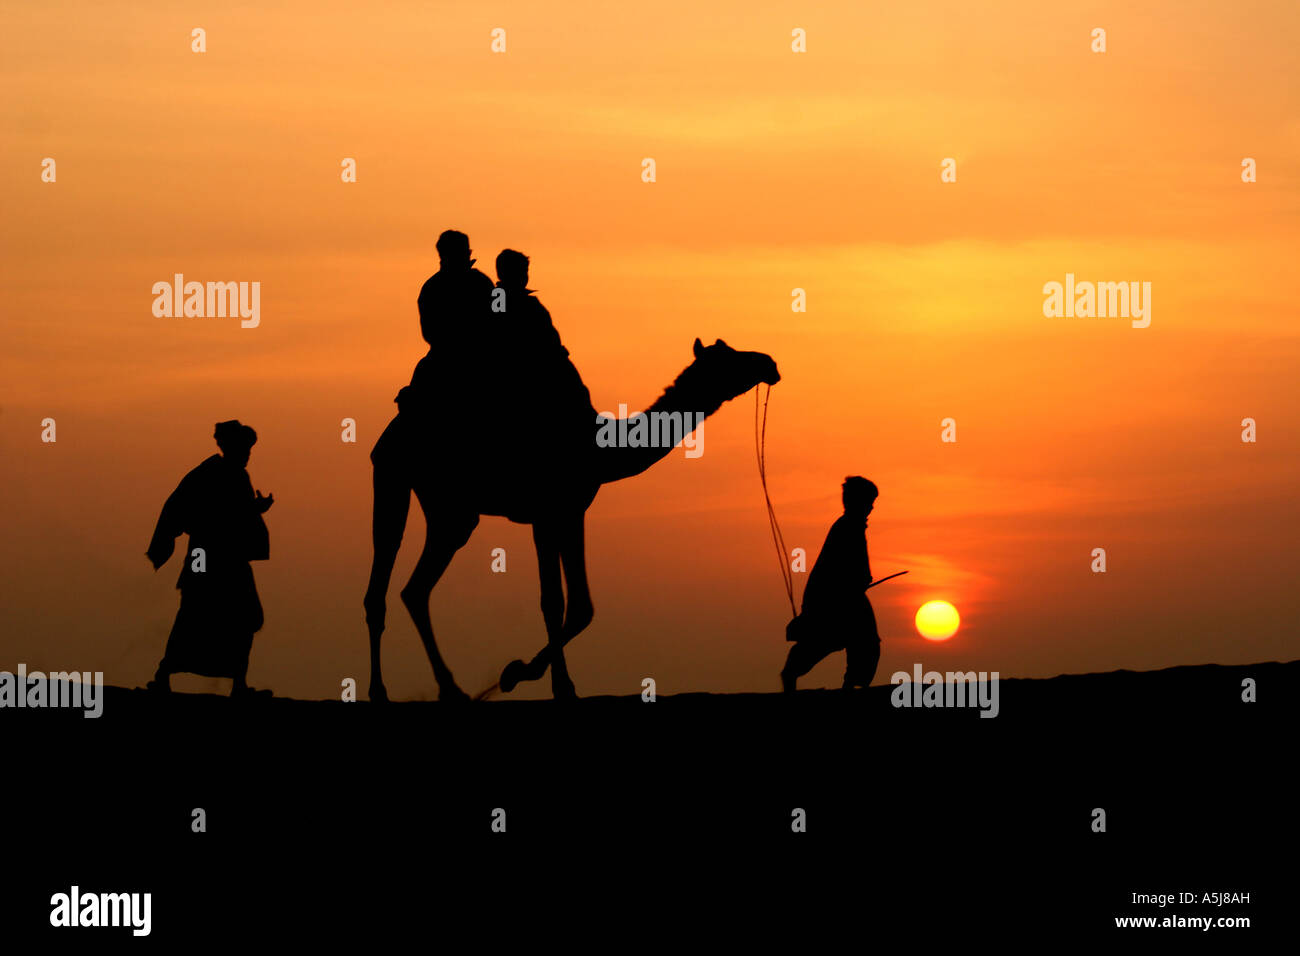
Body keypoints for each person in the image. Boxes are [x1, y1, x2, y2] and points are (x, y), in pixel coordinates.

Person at [145, 421, 274, 698]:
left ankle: (238, 683)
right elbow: (218, 514)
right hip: (209, 560)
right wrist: (254, 508)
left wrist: (253, 508)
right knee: (196, 618)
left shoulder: (234, 474)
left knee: (241, 619)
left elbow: (233, 513)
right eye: (244, 449)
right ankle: (164, 675)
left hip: (228, 559)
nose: (248, 454)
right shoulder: (214, 473)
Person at [493, 248, 595, 470]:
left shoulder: (529, 303)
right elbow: (501, 333)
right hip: (524, 371)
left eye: (525, 271)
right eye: (520, 270)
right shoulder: (499, 300)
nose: (524, 275)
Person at [781, 477, 881, 693]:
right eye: (869, 501)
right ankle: (850, 684)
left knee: (848, 640)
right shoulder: (848, 528)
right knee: (845, 640)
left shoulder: (849, 526)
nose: (872, 507)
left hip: (843, 597)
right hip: (838, 599)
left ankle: (852, 683)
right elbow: (843, 568)